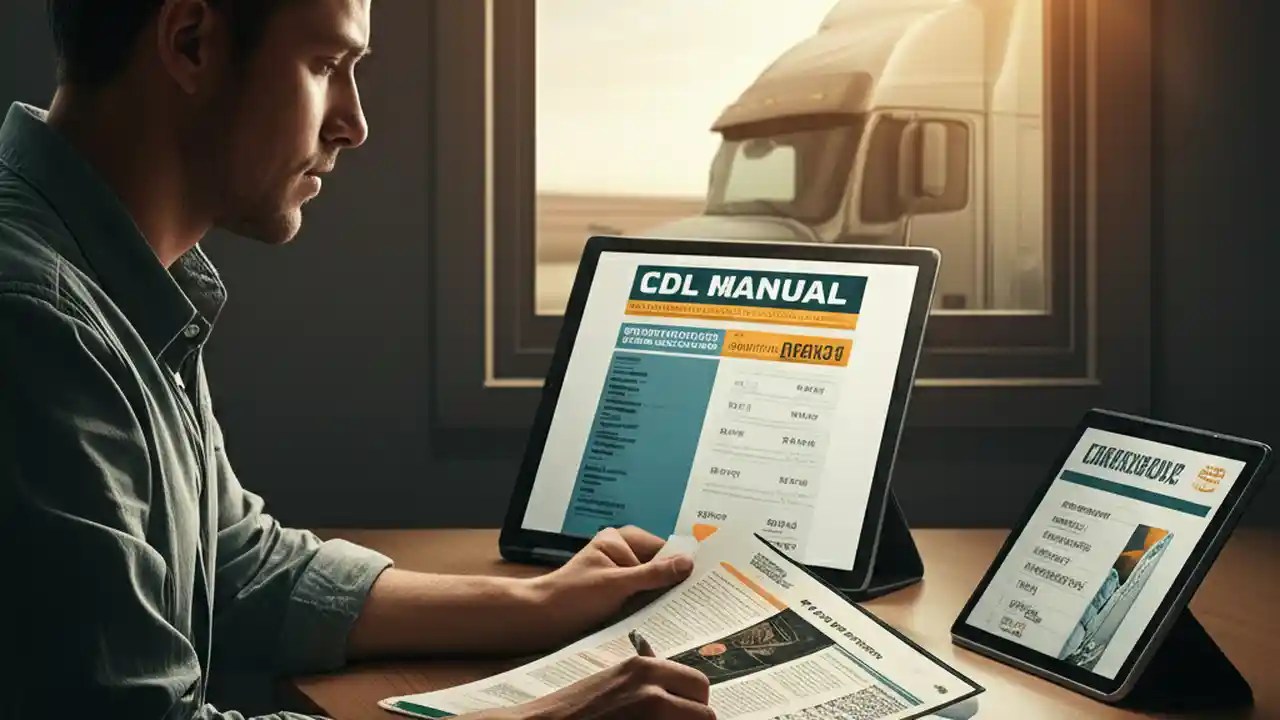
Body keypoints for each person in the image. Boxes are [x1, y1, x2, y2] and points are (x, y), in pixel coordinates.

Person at [0, 1, 715, 718]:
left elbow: (241, 566)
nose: (354, 123)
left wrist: (540, 601)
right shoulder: (37, 321)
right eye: (326, 65)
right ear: (191, 44)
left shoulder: (119, 281)